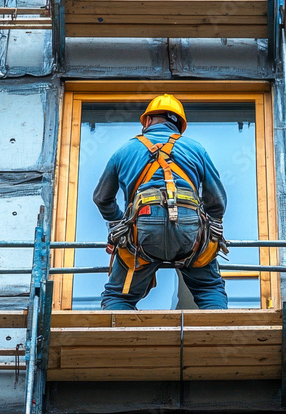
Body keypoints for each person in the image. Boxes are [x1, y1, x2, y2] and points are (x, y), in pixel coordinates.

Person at [92, 94, 229, 310]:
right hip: (190, 230)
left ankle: (118, 340)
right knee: (209, 288)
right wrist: (213, 229)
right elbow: (217, 200)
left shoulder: (124, 151)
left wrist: (117, 224)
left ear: (147, 121)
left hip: (142, 229)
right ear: (179, 126)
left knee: (119, 297)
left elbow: (101, 198)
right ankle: (217, 338)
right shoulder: (196, 148)